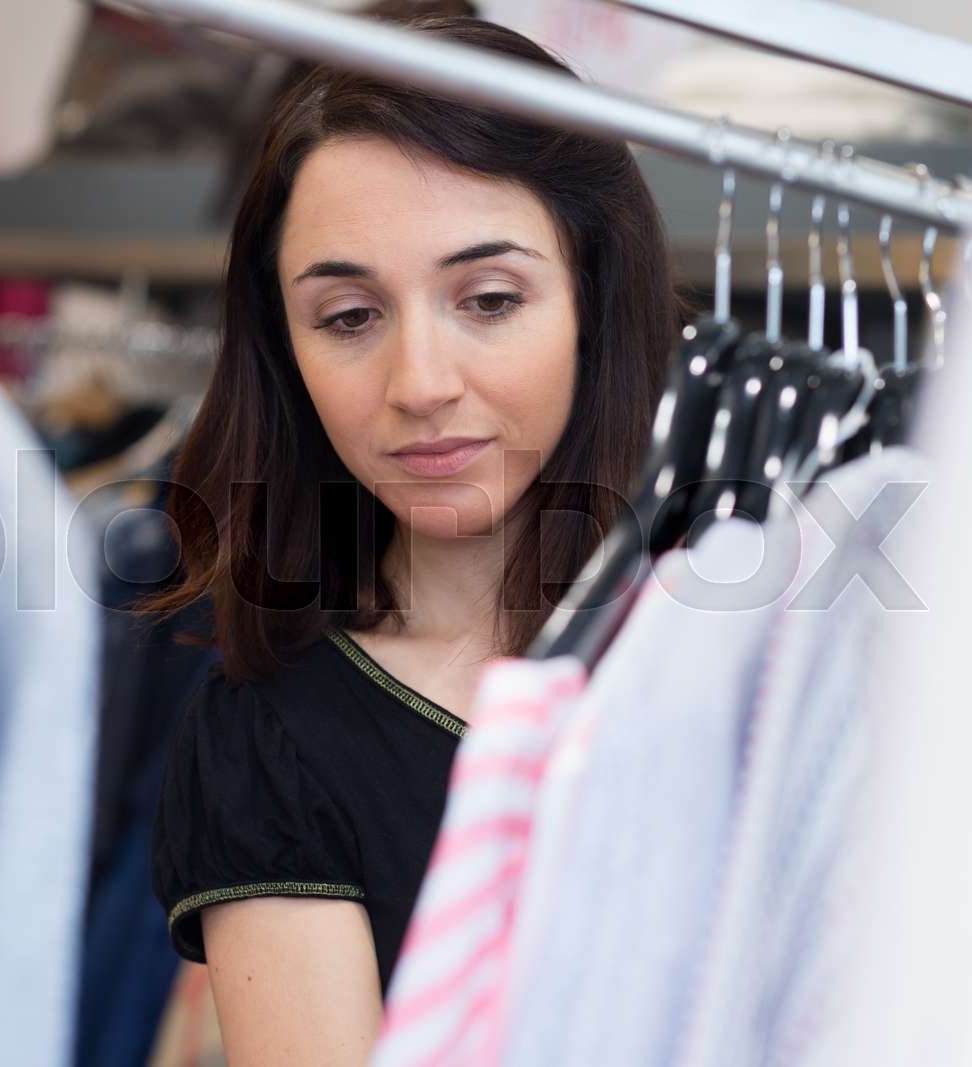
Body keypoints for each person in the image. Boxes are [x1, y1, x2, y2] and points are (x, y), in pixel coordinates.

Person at [147, 15, 681, 1065]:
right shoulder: (271, 745)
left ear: (593, 299)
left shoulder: (752, 651)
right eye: (349, 316)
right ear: (284, 347)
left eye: (487, 299)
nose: (420, 383)